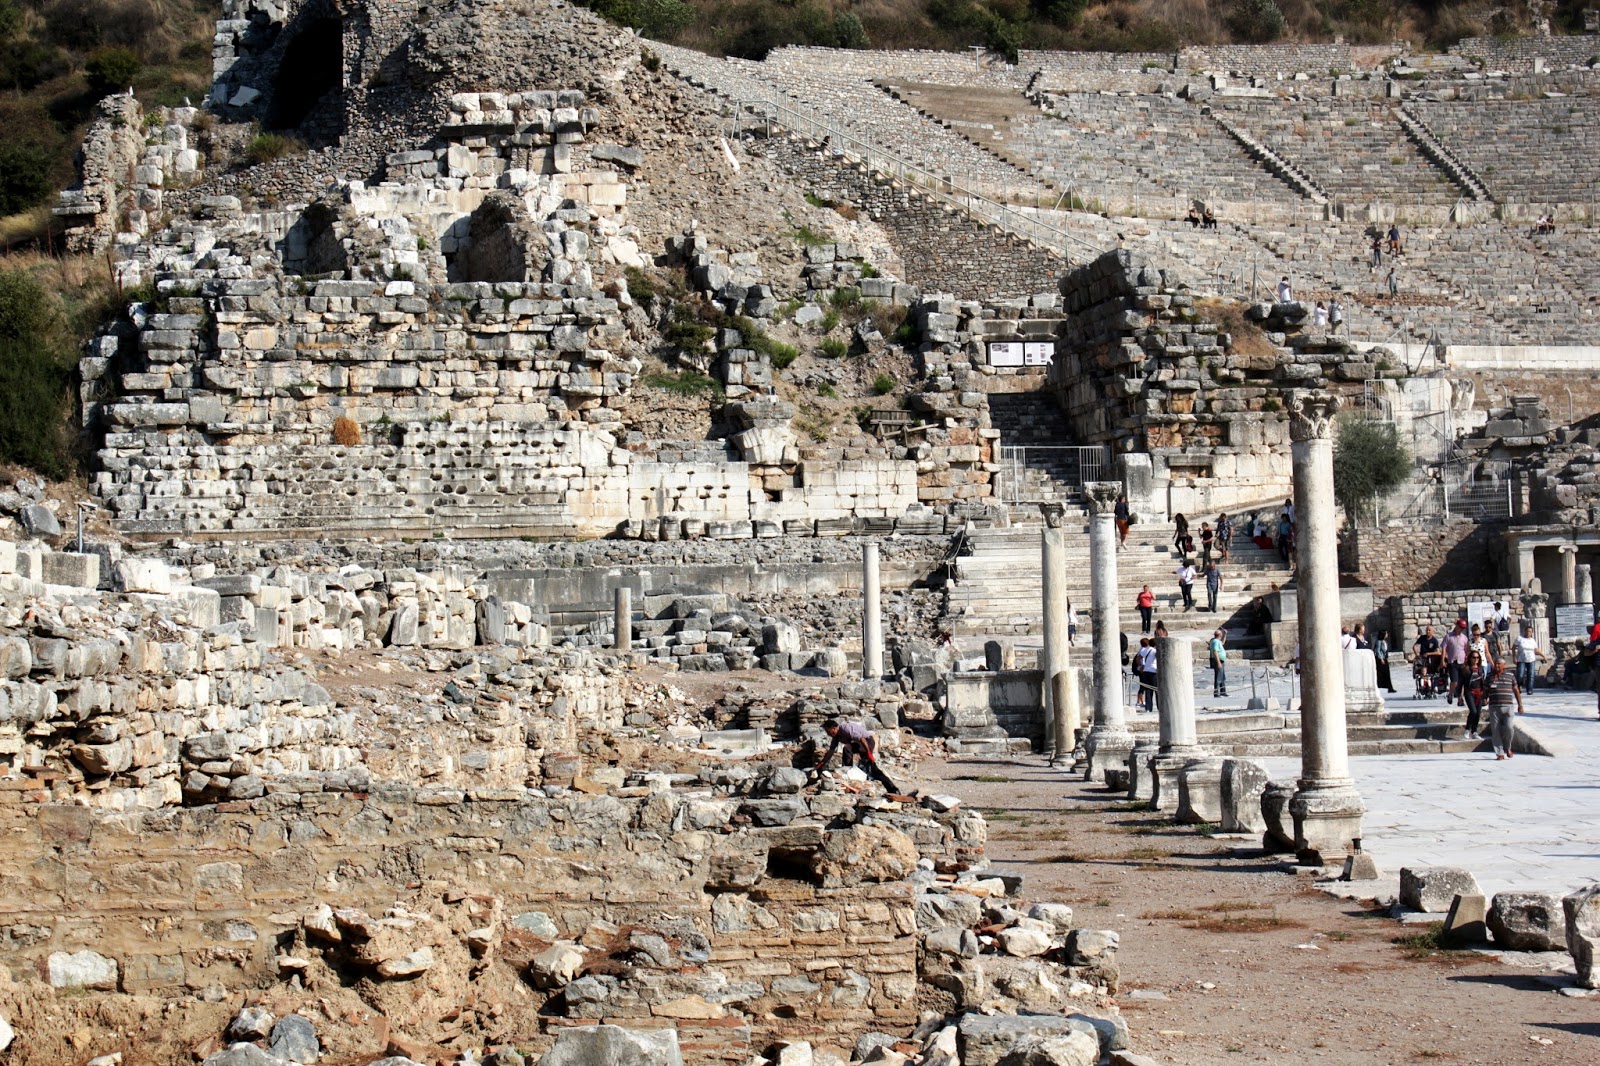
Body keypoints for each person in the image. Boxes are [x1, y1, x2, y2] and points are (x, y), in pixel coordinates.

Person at [816, 718, 900, 792]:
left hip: (867, 742)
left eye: (828, 731)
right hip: (857, 744)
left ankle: (892, 788)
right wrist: (822, 763)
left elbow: (862, 739)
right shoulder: (836, 736)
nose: (827, 734)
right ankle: (847, 770)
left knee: (870, 767)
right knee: (847, 748)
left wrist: (869, 753)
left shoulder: (846, 729)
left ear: (834, 728)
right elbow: (831, 751)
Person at [1483, 656, 1524, 760]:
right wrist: (1484, 698)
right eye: (1495, 663)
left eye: (1499, 664)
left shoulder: (1510, 675)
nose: (1496, 666)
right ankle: (1499, 752)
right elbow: (1486, 690)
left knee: (1509, 727)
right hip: (1494, 707)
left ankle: (1508, 747)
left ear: (1503, 665)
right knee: (1495, 730)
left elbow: (1516, 690)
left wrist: (1520, 705)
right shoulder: (1489, 676)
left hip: (1508, 706)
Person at [1461, 650, 1489, 738]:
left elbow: (1483, 683)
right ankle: (1467, 729)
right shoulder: (1466, 669)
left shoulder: (1481, 668)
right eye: (1474, 657)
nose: (1476, 659)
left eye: (1477, 657)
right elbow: (1461, 683)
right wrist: (1460, 696)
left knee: (1478, 713)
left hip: (1479, 692)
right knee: (1473, 711)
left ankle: (1474, 731)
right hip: (1469, 692)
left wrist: (1485, 696)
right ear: (1470, 658)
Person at [1442, 619, 1470, 705]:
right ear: (1457, 626)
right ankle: (1451, 693)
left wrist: (1467, 661)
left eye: (1463, 628)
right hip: (1452, 662)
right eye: (1460, 627)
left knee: (1461, 681)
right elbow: (1444, 650)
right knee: (1454, 681)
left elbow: (1467, 650)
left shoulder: (1464, 638)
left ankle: (1460, 699)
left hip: (1462, 662)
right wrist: (1442, 660)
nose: (1461, 629)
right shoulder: (1448, 636)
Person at [1512, 624, 1546, 695]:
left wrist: (1543, 656)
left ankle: (1529, 689)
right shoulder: (1520, 638)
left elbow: (1536, 649)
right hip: (1521, 659)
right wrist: (1514, 657)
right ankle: (1519, 685)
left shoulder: (1532, 640)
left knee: (1531, 675)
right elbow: (1514, 647)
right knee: (1520, 674)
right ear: (1525, 631)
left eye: (1530, 632)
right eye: (1527, 631)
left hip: (1531, 659)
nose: (1528, 633)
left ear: (1532, 633)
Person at [1135, 638, 1158, 712]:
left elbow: (1138, 658)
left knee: (1148, 690)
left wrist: (1141, 665)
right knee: (1157, 690)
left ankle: (1148, 708)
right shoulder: (1155, 651)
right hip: (1153, 671)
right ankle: (1159, 707)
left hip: (1146, 671)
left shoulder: (1146, 650)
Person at [1208, 628, 1228, 698]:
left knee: (1222, 677)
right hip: (1218, 661)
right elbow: (1215, 652)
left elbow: (1223, 642)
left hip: (1221, 660)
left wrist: (1225, 635)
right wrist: (1218, 662)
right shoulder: (1215, 642)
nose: (1222, 635)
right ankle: (1216, 693)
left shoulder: (1217, 641)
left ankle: (1223, 691)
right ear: (1219, 635)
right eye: (1221, 634)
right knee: (1218, 677)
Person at [1374, 628, 1396, 693]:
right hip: (1381, 659)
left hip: (1385, 658)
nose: (1387, 634)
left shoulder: (1384, 641)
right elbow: (1377, 651)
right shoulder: (1379, 641)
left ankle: (1390, 687)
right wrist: (1381, 658)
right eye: (1386, 633)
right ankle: (1380, 686)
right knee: (1380, 674)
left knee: (1387, 673)